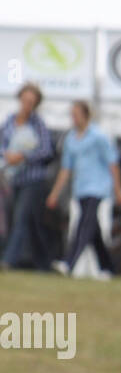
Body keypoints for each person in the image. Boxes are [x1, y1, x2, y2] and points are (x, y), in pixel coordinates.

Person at [46, 101, 121, 279]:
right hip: (80, 188)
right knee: (93, 230)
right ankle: (108, 267)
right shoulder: (71, 140)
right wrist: (55, 193)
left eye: (76, 114)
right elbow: (66, 169)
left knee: (84, 224)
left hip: (98, 187)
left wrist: (118, 189)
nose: (73, 119)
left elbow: (113, 164)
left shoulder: (99, 136)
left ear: (86, 115)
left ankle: (69, 262)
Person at [0, 83, 56, 271]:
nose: (27, 104)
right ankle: (44, 264)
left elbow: (47, 150)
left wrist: (23, 156)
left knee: (21, 218)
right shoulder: (9, 122)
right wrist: (7, 155)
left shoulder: (38, 125)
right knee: (31, 224)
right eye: (25, 100)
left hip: (33, 180)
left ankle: (8, 261)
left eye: (31, 102)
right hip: (13, 179)